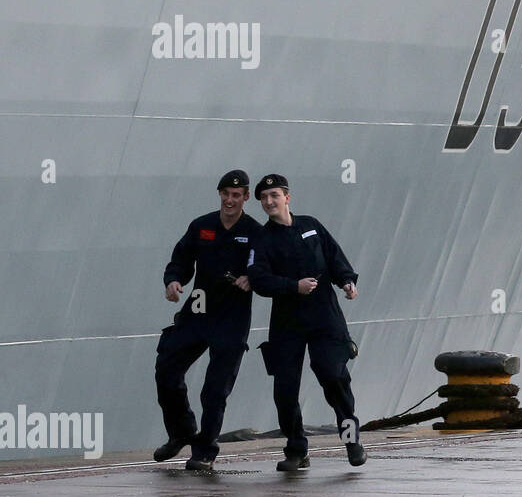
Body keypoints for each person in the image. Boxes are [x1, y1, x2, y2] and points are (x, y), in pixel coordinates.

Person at [247, 173, 366, 471]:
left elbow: (335, 257)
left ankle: (352, 442)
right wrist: (292, 287)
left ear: (287, 198)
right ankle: (297, 450)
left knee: (334, 377)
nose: (269, 202)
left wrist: (348, 282)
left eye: (274, 195)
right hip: (288, 322)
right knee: (285, 389)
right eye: (263, 198)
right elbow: (259, 280)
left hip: (325, 317)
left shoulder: (311, 226)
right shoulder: (262, 240)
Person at [153, 170, 261, 470]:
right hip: (198, 312)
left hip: (231, 320)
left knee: (214, 389)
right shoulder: (202, 226)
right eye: (225, 194)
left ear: (245, 198)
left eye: (236, 195)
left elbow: (266, 268)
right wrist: (173, 281)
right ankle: (181, 433)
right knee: (166, 369)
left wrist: (252, 278)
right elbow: (182, 259)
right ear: (219, 194)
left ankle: (204, 451)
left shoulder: (254, 232)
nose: (230, 200)